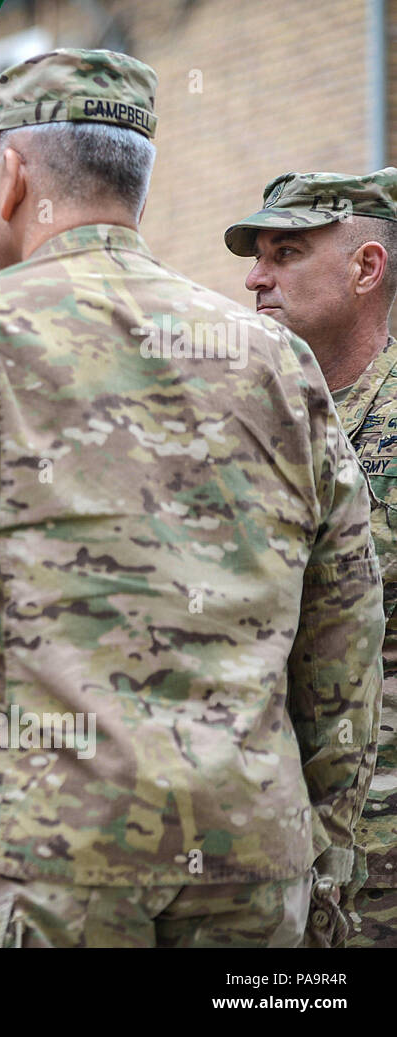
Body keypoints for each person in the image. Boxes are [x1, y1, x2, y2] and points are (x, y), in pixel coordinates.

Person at [0, 49, 384, 948]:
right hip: (252, 864)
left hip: (50, 869)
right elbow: (344, 630)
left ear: (10, 179)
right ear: (136, 185)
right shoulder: (275, 360)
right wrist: (320, 847)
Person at [226, 168, 397, 946]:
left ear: (366, 268)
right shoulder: (241, 424)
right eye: (257, 254)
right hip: (268, 846)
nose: (256, 277)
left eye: (286, 253)